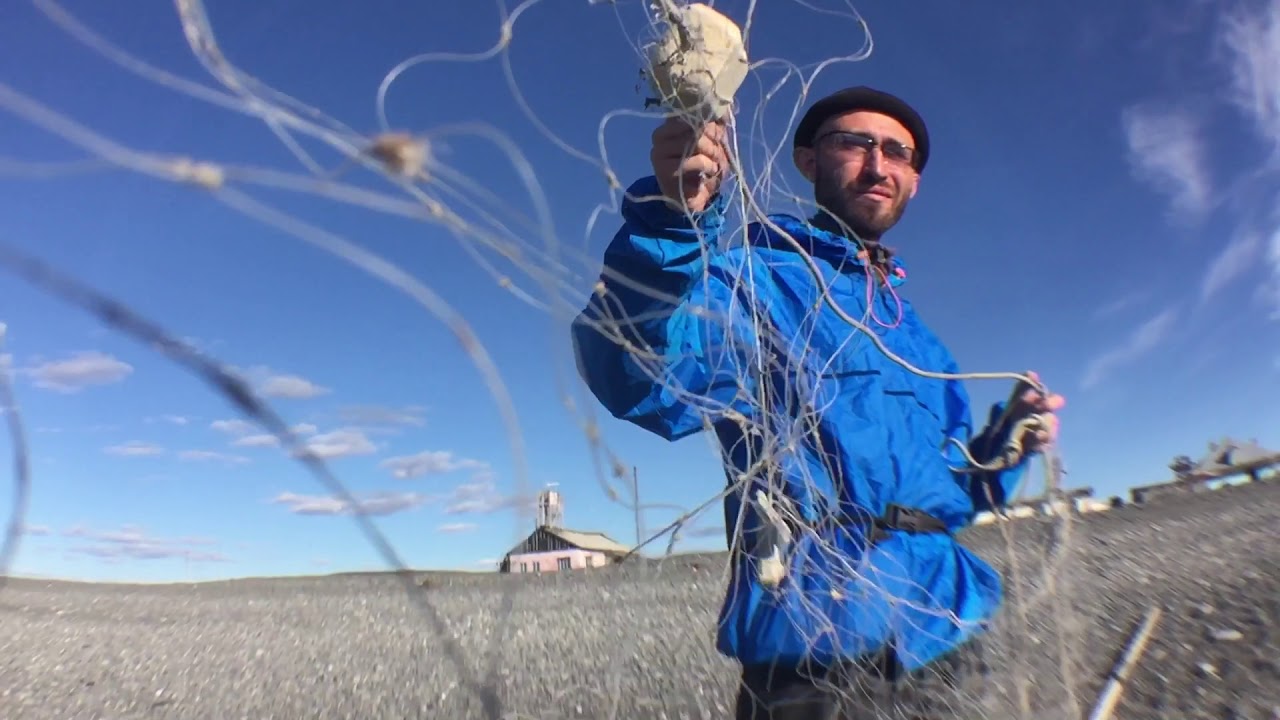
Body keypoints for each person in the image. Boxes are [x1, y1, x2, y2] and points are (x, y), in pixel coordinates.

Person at [569, 86, 1065, 719]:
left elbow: (954, 498)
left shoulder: (919, 339)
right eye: (853, 143)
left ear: (913, 180)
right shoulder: (750, 279)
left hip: (948, 632)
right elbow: (640, 378)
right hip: (813, 649)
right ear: (808, 160)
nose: (878, 165)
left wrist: (1008, 443)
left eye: (898, 152)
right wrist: (672, 219)